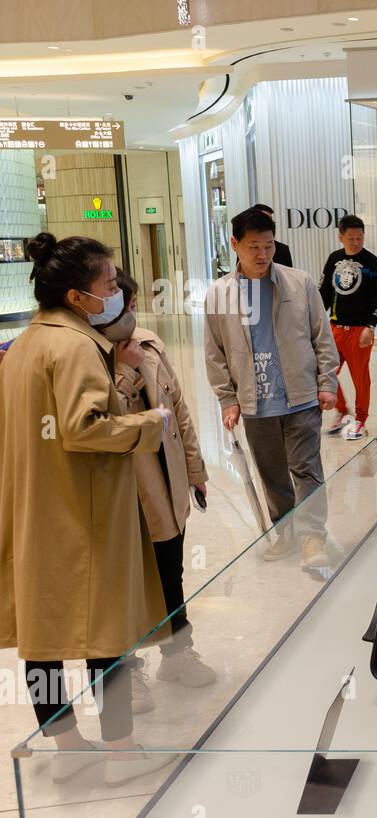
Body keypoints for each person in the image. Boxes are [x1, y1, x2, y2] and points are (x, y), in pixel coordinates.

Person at [0, 232, 177, 785]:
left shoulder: (25, 344)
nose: (117, 290)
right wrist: (151, 424)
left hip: (37, 508)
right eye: (108, 283)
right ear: (79, 297)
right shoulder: (77, 347)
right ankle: (123, 752)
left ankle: (68, 745)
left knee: (44, 634)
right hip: (85, 511)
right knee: (108, 633)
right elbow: (85, 429)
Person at [204, 207, 339, 568]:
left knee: (306, 469)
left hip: (300, 396)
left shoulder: (301, 283)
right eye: (253, 247)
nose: (262, 255)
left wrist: (327, 383)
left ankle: (312, 537)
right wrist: (227, 399)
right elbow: (214, 352)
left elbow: (321, 338)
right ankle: (287, 532)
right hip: (254, 402)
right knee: (272, 475)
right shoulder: (220, 293)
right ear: (234, 244)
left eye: (268, 246)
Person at [110, 272, 215, 712]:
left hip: (165, 484)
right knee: (122, 585)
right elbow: (102, 418)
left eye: (131, 304)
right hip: (123, 494)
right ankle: (125, 672)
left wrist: (195, 468)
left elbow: (180, 409)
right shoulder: (89, 356)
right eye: (121, 305)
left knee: (170, 574)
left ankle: (176, 651)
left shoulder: (151, 344)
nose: (129, 315)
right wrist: (127, 369)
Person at [320, 214, 377, 441]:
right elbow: (324, 294)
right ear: (341, 237)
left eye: (360, 238)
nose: (356, 242)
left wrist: (371, 325)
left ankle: (360, 419)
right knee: (325, 371)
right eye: (351, 238)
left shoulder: (372, 263)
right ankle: (342, 410)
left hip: (360, 331)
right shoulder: (333, 260)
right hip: (335, 328)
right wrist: (316, 321)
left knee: (360, 378)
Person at [250, 204, 293, 268]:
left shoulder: (283, 249)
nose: (269, 224)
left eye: (271, 221)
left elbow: (289, 274)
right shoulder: (245, 249)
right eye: (265, 220)